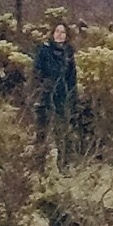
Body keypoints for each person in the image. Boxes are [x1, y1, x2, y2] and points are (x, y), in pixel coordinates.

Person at [31, 18, 78, 155]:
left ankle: (64, 158)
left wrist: (73, 96)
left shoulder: (68, 53)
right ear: (52, 33)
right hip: (45, 93)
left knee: (62, 127)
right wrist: (40, 89)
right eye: (57, 31)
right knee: (42, 126)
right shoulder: (44, 50)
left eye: (63, 32)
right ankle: (38, 155)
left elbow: (72, 77)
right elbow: (36, 72)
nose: (59, 34)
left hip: (62, 95)